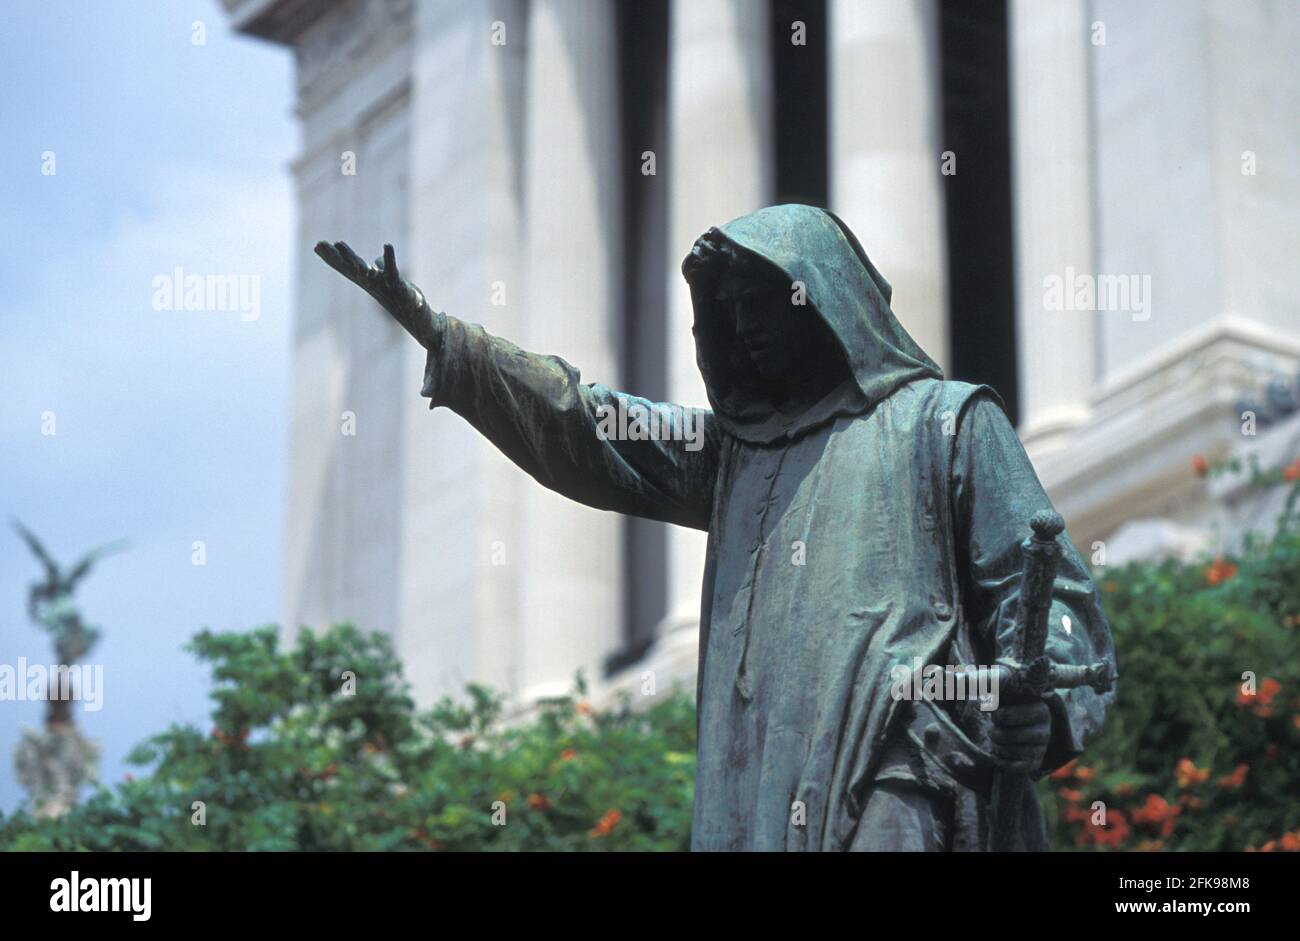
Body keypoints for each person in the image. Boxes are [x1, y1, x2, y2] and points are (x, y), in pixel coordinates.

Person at [315, 203, 1116, 851]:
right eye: (729, 309)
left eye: (763, 301)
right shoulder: (734, 455)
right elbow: (591, 424)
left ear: (827, 296)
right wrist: (447, 338)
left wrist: (1038, 709)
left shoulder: (944, 420)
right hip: (759, 781)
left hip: (898, 756)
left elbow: (1047, 592)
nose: (746, 323)